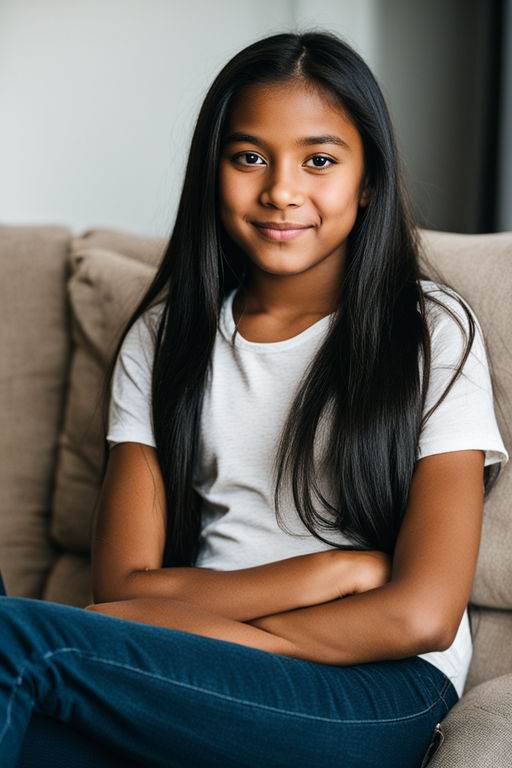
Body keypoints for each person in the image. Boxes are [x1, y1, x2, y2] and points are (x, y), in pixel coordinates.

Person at [1, 30, 508, 768]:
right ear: (215, 172)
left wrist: (191, 627)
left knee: (15, 639)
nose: (280, 190)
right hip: (198, 675)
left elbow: (422, 615)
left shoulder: (430, 331)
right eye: (249, 158)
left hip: (378, 689)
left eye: (320, 160)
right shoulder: (165, 340)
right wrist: (329, 574)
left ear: (368, 180)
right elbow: (119, 586)